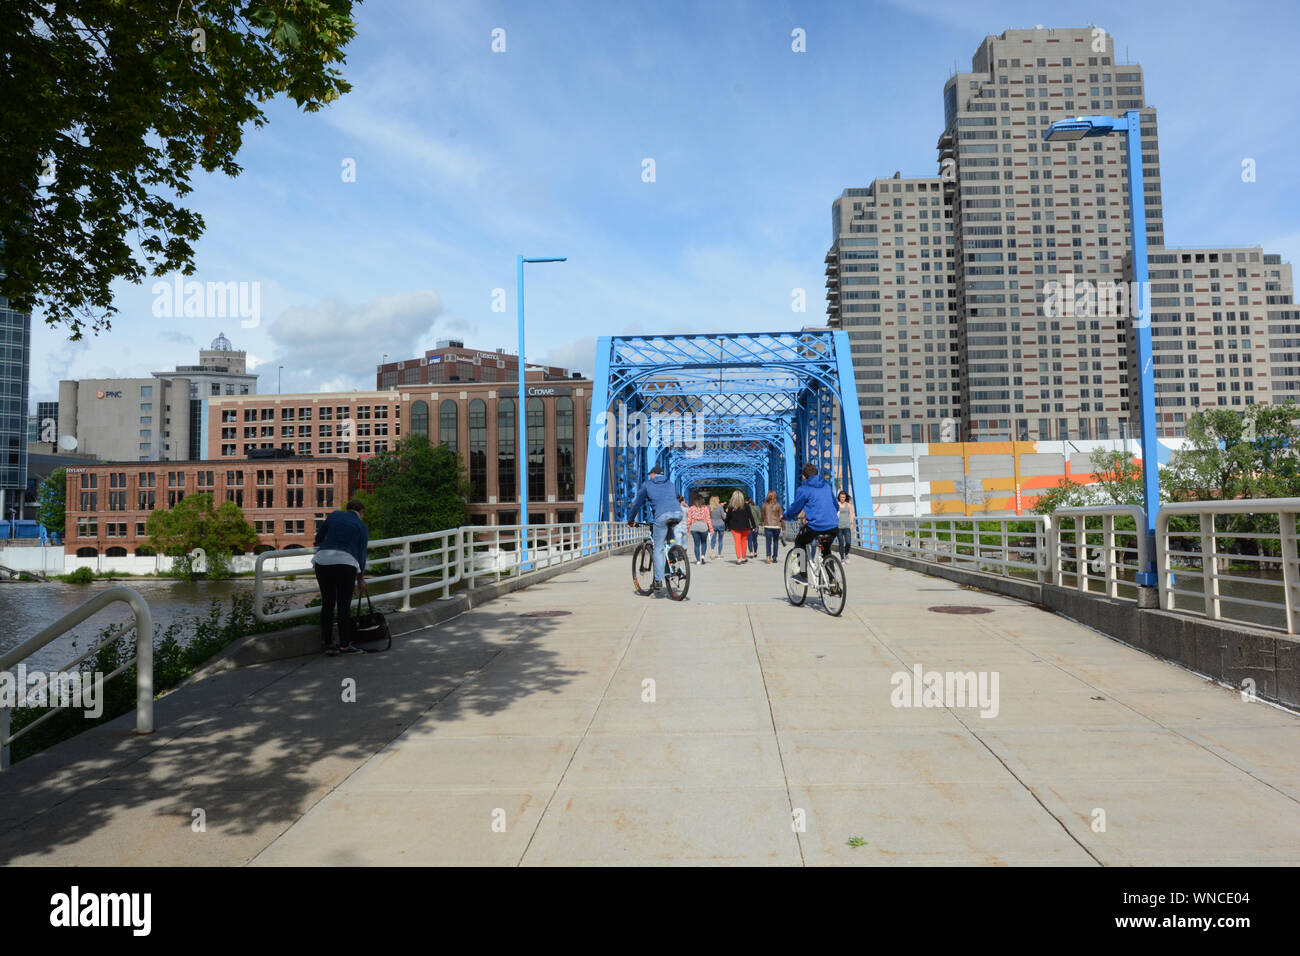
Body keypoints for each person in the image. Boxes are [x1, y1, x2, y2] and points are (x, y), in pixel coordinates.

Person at [312, 499, 370, 655]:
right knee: (343, 605)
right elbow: (361, 554)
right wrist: (361, 578)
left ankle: (328, 644)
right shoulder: (361, 526)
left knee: (328, 603)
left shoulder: (335, 515)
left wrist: (322, 544)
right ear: (361, 512)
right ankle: (344, 645)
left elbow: (319, 536)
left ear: (347, 509)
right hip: (346, 563)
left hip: (322, 560)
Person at [627, 465, 684, 592]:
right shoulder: (670, 483)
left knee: (658, 548)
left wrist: (630, 519)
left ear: (653, 474)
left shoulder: (647, 484)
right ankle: (674, 552)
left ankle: (658, 580)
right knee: (669, 533)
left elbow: (637, 504)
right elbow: (677, 497)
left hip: (662, 515)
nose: (650, 477)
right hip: (678, 513)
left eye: (650, 474)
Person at [782, 464, 840, 584]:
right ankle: (833, 581)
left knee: (799, 541)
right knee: (826, 550)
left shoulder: (803, 489)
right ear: (817, 473)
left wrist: (786, 516)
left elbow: (795, 509)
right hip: (833, 526)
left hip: (816, 527)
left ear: (804, 477)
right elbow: (836, 505)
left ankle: (802, 575)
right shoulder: (826, 486)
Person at [724, 490, 755, 564]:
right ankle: (744, 558)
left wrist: (727, 526)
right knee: (744, 542)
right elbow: (751, 517)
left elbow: (728, 518)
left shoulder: (731, 507)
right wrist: (753, 526)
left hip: (735, 527)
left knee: (737, 542)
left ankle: (738, 559)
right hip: (745, 526)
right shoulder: (746, 506)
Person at [686, 494, 712, 565]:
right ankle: (703, 556)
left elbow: (689, 519)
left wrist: (688, 528)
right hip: (703, 527)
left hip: (694, 527)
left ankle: (698, 560)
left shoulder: (691, 508)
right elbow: (708, 519)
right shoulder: (706, 508)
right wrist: (711, 529)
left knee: (696, 544)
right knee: (703, 543)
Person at [762, 490, 783, 563]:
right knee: (776, 542)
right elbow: (781, 516)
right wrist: (783, 527)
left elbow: (763, 516)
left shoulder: (764, 505)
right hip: (777, 526)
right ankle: (774, 558)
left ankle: (768, 557)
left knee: (768, 542)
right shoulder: (778, 505)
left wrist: (763, 523)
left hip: (767, 526)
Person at [836, 491, 856, 561]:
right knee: (841, 542)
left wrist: (852, 523)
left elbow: (851, 515)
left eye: (844, 497)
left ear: (845, 497)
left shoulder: (849, 505)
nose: (842, 498)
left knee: (848, 542)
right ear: (839, 497)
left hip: (847, 526)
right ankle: (842, 558)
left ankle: (846, 553)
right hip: (838, 527)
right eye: (841, 497)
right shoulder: (836, 505)